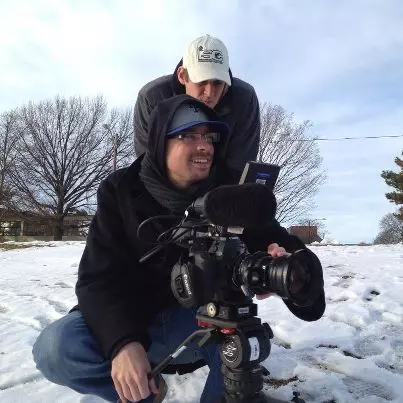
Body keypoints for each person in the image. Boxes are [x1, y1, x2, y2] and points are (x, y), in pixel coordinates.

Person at [32, 95, 325, 403]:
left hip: (207, 322)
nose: (204, 146)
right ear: (160, 143)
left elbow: (293, 261)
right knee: (56, 347)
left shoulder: (232, 192)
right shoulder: (120, 189)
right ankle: (145, 391)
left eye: (209, 137)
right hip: (135, 318)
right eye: (188, 135)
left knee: (239, 345)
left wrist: (286, 269)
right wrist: (122, 343)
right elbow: (97, 279)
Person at [133, 34, 260, 173]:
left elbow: (239, 165)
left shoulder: (244, 100)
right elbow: (148, 165)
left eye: (217, 82)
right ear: (182, 76)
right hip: (167, 185)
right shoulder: (152, 98)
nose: (209, 92)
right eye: (202, 81)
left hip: (222, 185)